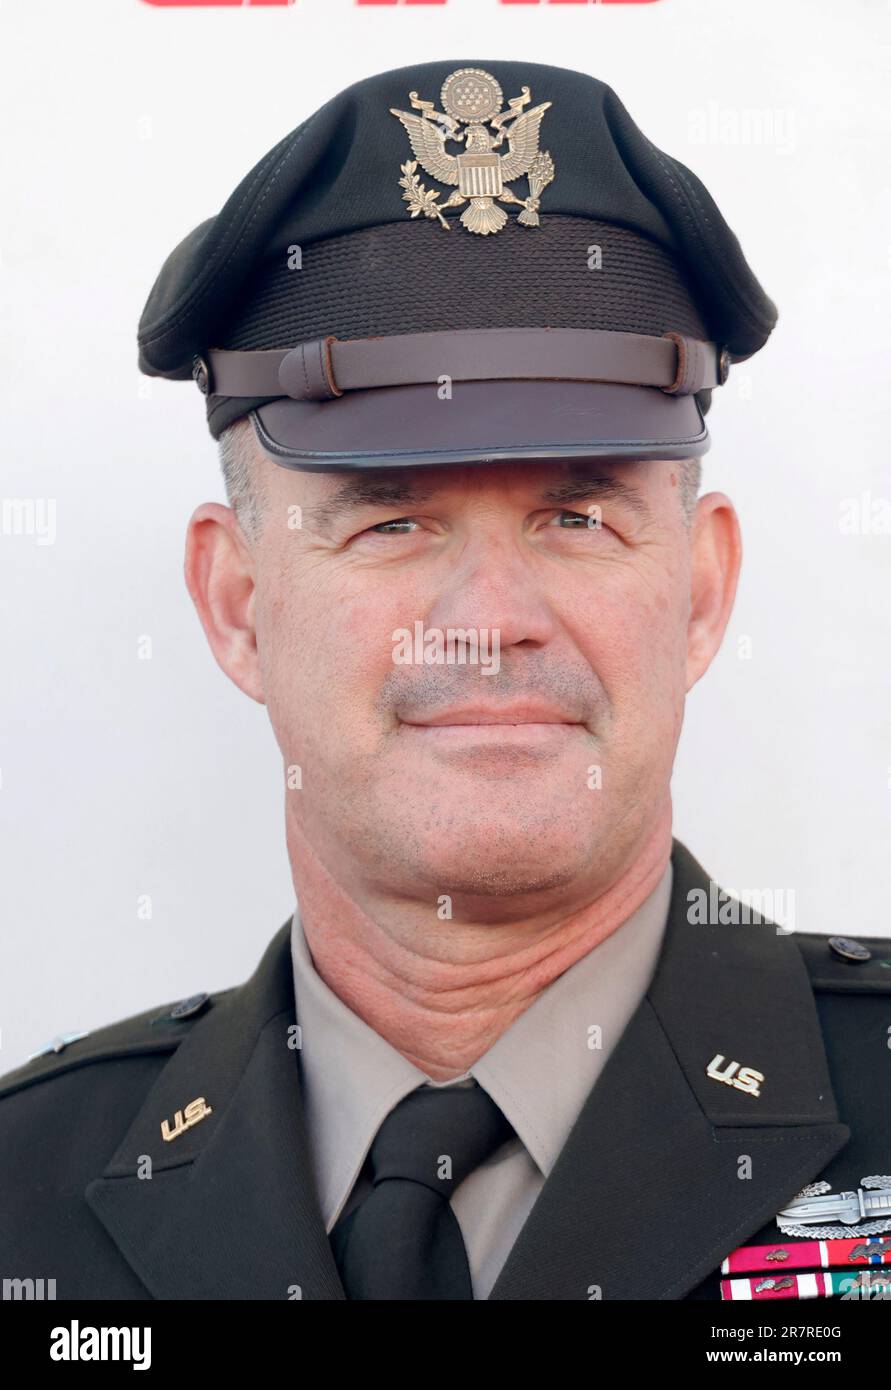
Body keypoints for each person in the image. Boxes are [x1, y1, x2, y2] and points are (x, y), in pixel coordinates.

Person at [2, 59, 889, 1303]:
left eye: (578, 517)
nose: (490, 624)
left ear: (699, 591)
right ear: (238, 603)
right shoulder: (22, 1191)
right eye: (392, 522)